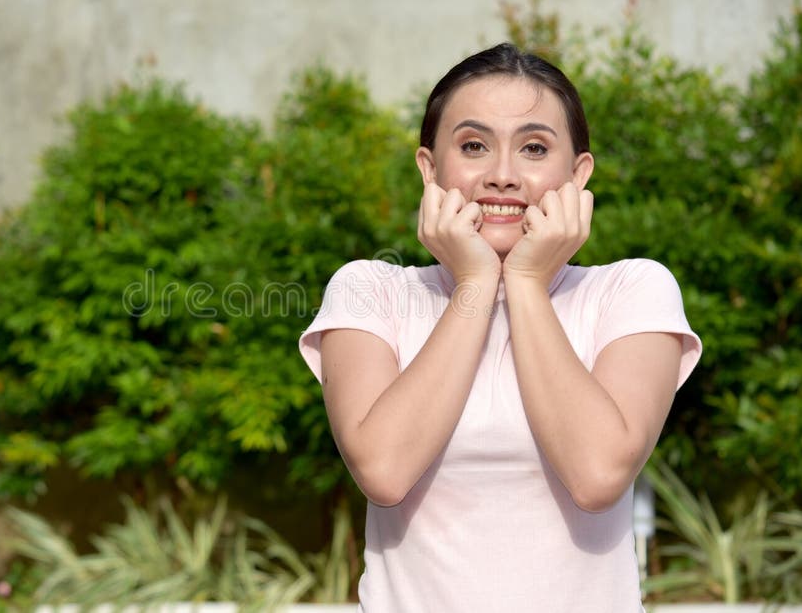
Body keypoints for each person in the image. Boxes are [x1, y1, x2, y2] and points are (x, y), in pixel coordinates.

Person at [298, 43, 702, 612]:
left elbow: (597, 477)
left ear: (578, 174)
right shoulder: (371, 291)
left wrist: (528, 282)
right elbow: (384, 471)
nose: (503, 176)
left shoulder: (630, 291)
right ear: (429, 169)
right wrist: (475, 283)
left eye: (534, 148)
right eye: (473, 146)